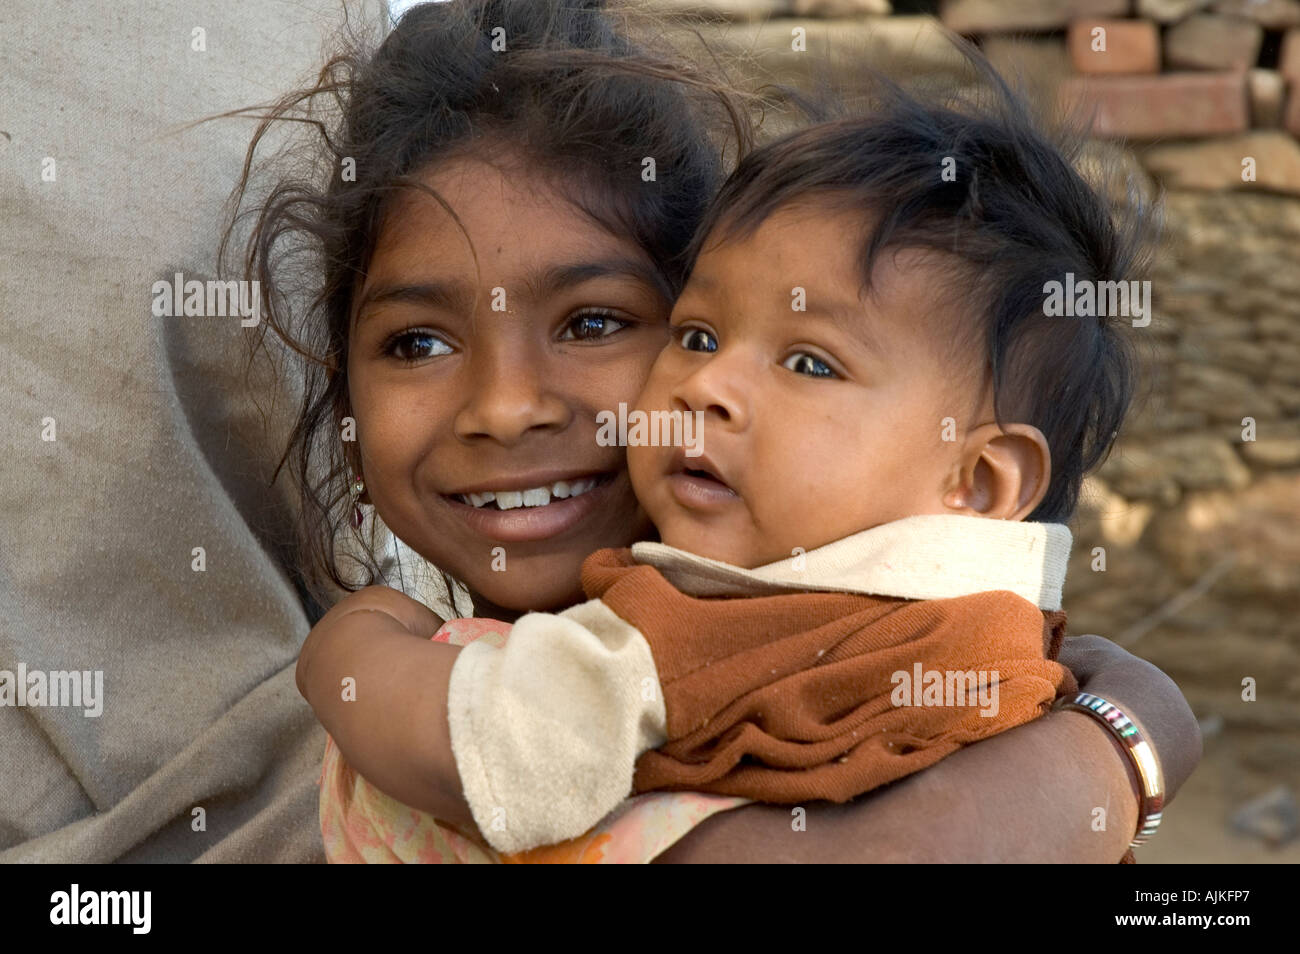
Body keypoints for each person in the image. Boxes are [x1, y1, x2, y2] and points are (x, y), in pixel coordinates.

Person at [232, 0, 1200, 862]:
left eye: (595, 322)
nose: (505, 406)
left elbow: (474, 747)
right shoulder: (1022, 653)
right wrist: (1133, 727)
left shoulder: (699, 623)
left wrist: (348, 654)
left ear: (983, 479)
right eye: (416, 341)